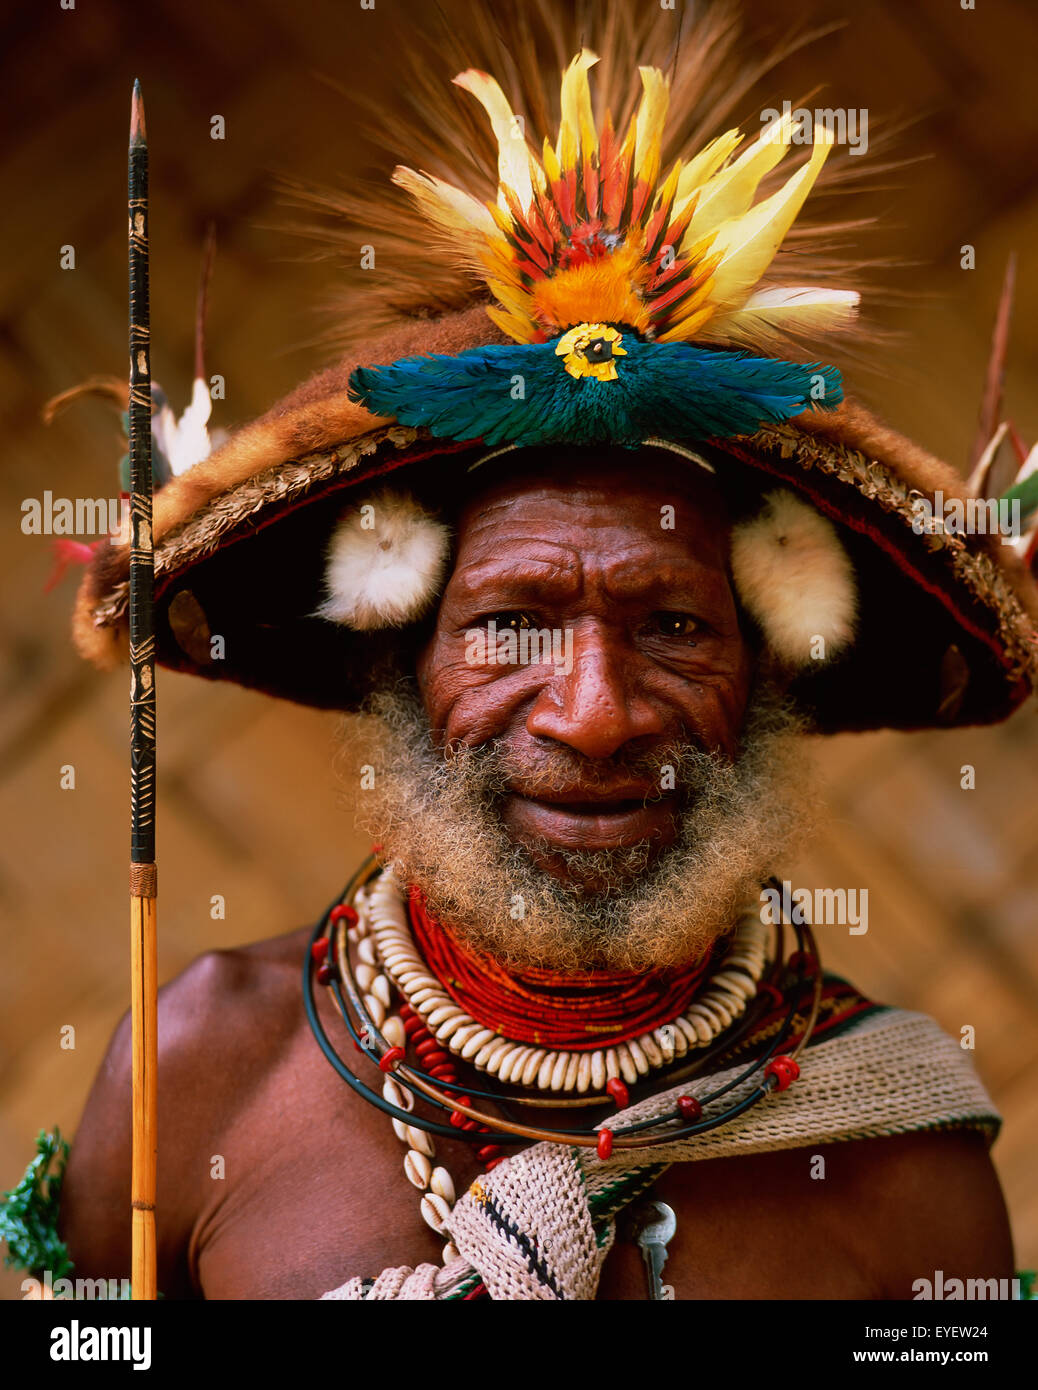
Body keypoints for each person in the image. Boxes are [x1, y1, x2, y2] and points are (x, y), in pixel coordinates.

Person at [11, 9, 1038, 1301]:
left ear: (767, 674)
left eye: (671, 625)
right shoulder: (203, 1067)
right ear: (400, 661)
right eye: (510, 621)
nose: (596, 713)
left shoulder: (902, 1167)